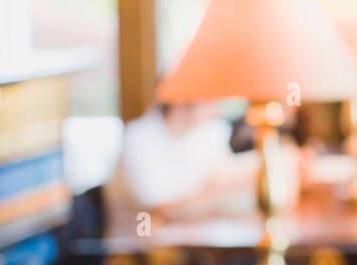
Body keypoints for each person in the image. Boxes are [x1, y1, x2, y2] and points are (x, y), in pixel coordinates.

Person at [103, 100, 263, 237]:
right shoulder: (139, 138)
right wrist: (220, 191)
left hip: (202, 245)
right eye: (208, 101)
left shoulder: (210, 131)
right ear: (179, 101)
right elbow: (160, 213)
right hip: (142, 252)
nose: (215, 110)